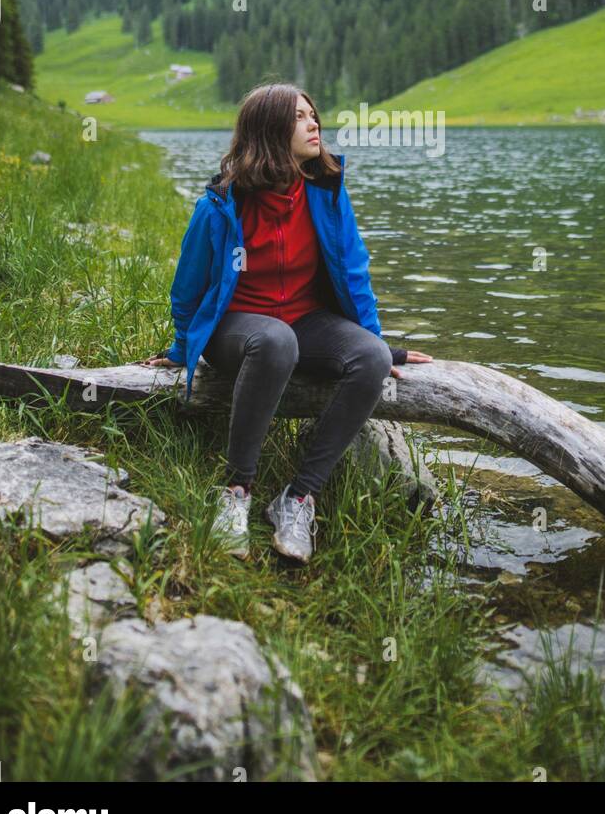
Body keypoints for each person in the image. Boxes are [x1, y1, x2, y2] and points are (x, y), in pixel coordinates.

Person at [143, 81, 432, 564]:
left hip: (306, 320)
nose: (314, 123)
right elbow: (187, 288)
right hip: (236, 328)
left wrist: (381, 344)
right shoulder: (220, 204)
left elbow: (354, 271)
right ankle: (236, 490)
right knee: (275, 341)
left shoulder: (326, 193)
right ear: (269, 131)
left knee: (371, 358)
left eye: (313, 114)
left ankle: (298, 498)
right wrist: (179, 349)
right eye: (299, 117)